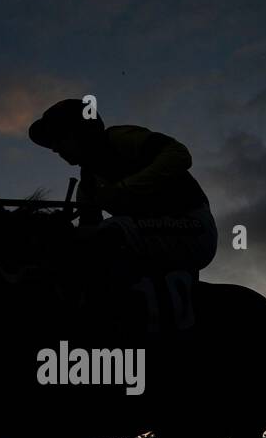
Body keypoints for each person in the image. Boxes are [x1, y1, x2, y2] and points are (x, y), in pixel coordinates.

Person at [27, 100, 217, 308]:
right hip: (150, 242)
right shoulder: (87, 187)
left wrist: (125, 188)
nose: (55, 149)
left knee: (114, 229)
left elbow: (179, 154)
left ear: (81, 131)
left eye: (59, 138)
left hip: (194, 228)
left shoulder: (119, 139)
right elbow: (87, 232)